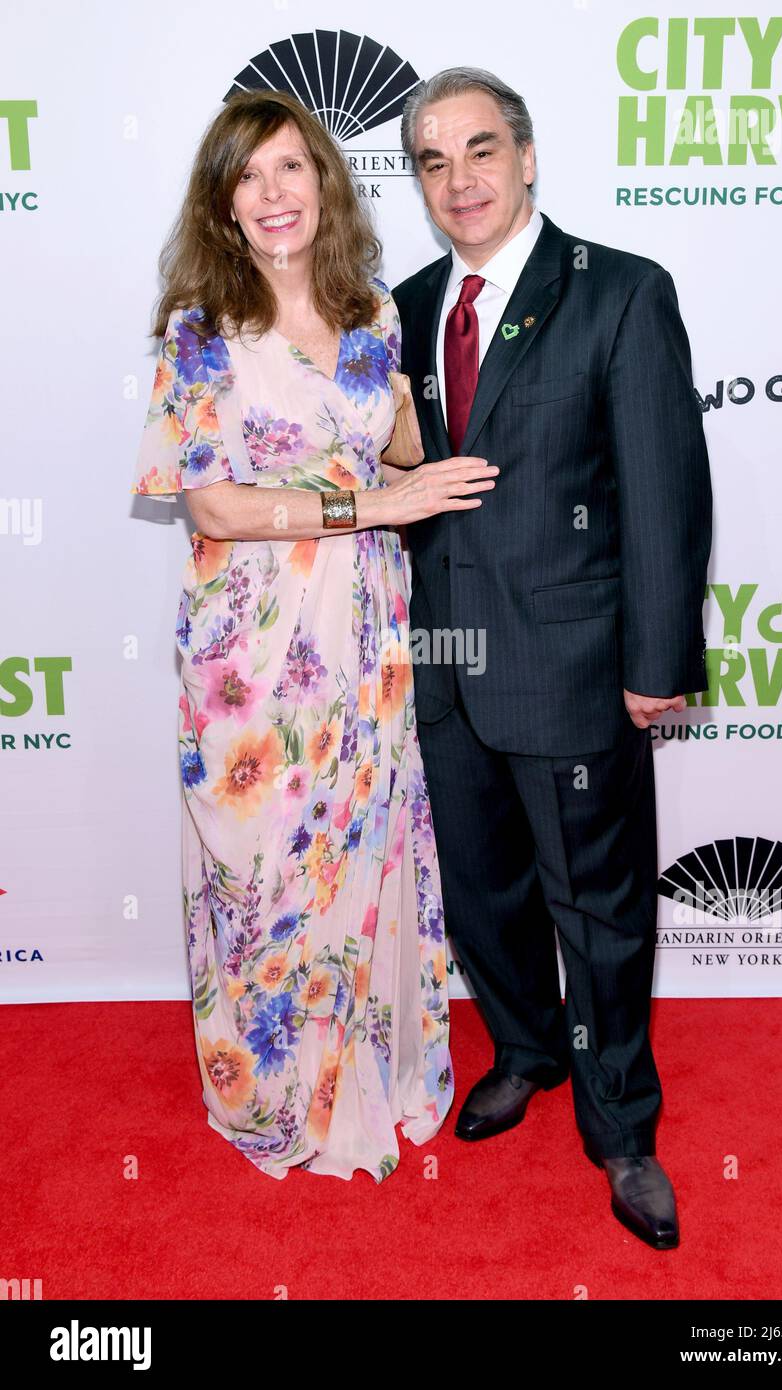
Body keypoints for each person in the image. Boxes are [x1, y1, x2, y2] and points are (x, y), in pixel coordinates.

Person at [131, 89, 498, 1182]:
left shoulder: (372, 316)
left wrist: (430, 463)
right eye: (249, 177)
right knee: (261, 866)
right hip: (250, 653)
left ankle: (363, 1065)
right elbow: (214, 508)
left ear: (324, 182)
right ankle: (276, 1080)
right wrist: (372, 507)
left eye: (292, 168)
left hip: (366, 630)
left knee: (364, 836)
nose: (274, 193)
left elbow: (396, 453)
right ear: (223, 206)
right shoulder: (198, 334)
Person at [392, 67, 713, 1246]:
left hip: (577, 668)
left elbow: (665, 492)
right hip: (444, 664)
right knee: (483, 894)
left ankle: (621, 1124)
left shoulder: (620, 293)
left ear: (526, 159)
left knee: (602, 912)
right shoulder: (408, 302)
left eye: (481, 150)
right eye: (433, 161)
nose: (460, 179)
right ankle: (526, 1049)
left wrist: (656, 660)